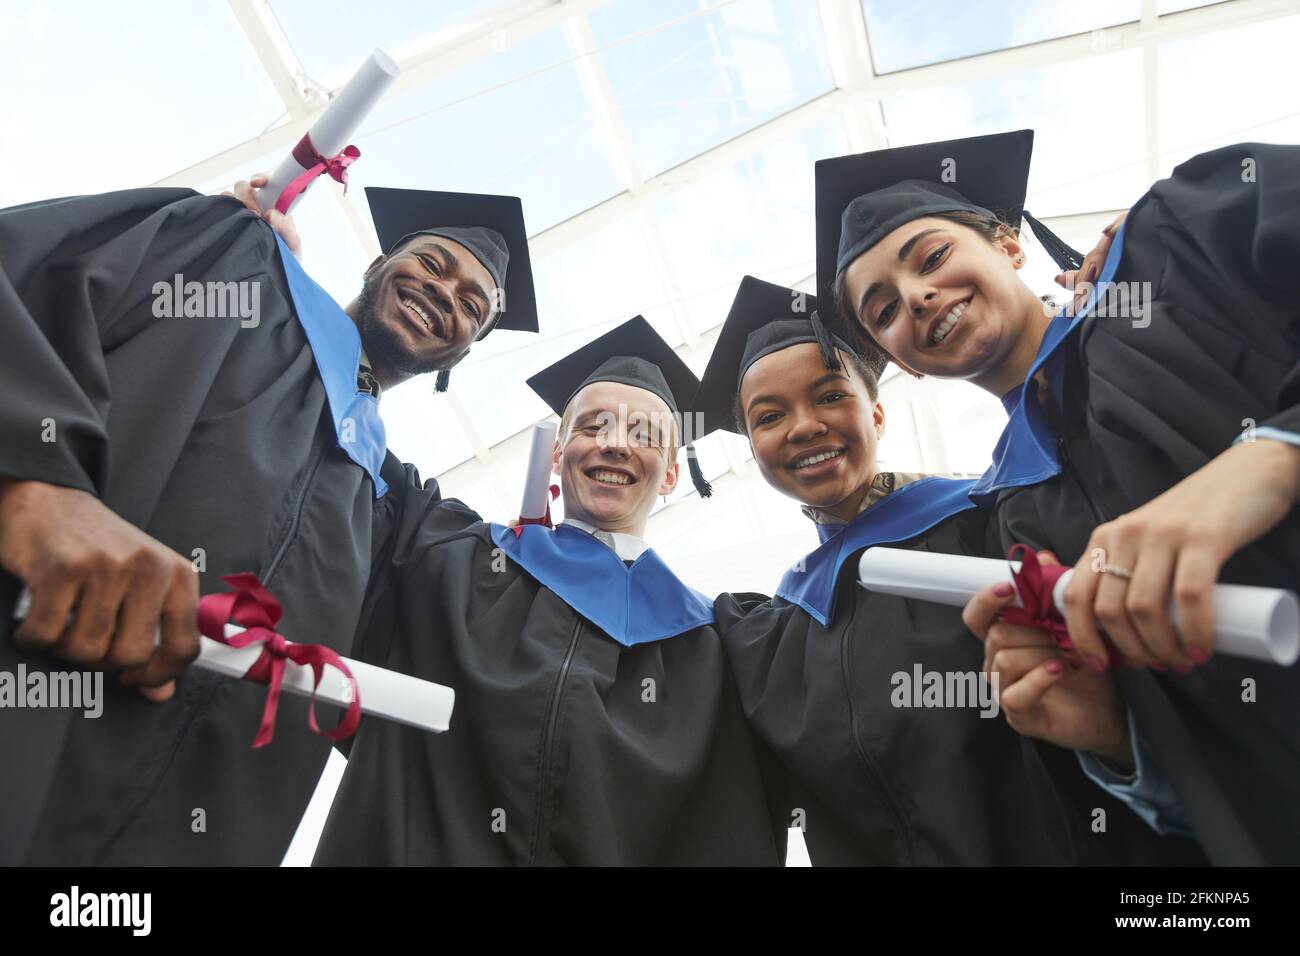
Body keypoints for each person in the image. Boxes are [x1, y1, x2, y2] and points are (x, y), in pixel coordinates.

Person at [0, 182, 536, 864]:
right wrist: (32, 478)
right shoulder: (235, 266)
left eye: (471, 305)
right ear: (377, 266)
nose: (445, 294)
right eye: (433, 264)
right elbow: (26, 280)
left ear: (459, 358)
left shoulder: (389, 509)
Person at [820, 129, 1300, 864]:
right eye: (882, 310)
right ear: (898, 364)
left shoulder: (1181, 252)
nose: (915, 297)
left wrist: (1274, 454)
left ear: (1009, 245)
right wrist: (1119, 745)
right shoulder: (1015, 527)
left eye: (933, 256)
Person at [693, 275, 1198, 864]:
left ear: (877, 416)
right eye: (769, 416)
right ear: (754, 450)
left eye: (831, 396)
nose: (805, 426)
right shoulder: (772, 636)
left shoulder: (993, 521)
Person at [314, 317, 786, 865]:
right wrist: (348, 327)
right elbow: (337, 454)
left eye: (644, 434)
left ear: (673, 472)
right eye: (592, 426)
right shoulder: (446, 552)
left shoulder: (722, 645)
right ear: (556, 456)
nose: (615, 444)